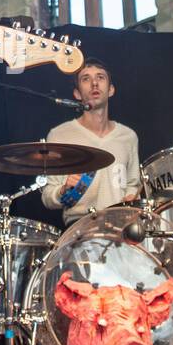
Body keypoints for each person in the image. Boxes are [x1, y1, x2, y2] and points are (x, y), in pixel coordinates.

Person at [40, 60, 141, 225]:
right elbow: (47, 195)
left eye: (100, 77)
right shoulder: (59, 135)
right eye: (86, 79)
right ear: (77, 93)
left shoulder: (128, 136)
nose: (94, 83)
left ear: (111, 89)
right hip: (80, 228)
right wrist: (62, 192)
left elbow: (133, 184)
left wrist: (130, 198)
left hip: (121, 228)